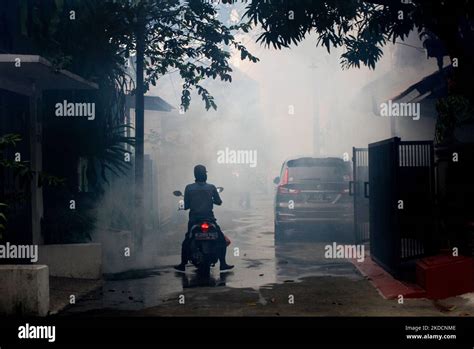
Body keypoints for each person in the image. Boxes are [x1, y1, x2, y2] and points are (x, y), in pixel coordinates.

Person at [174, 165, 234, 272]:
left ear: (195, 175)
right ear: (205, 174)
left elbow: (186, 205)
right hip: (209, 220)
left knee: (187, 240)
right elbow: (219, 202)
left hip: (194, 220)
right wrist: (211, 200)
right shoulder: (211, 187)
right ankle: (223, 263)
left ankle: (182, 264)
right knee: (220, 239)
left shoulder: (189, 188)